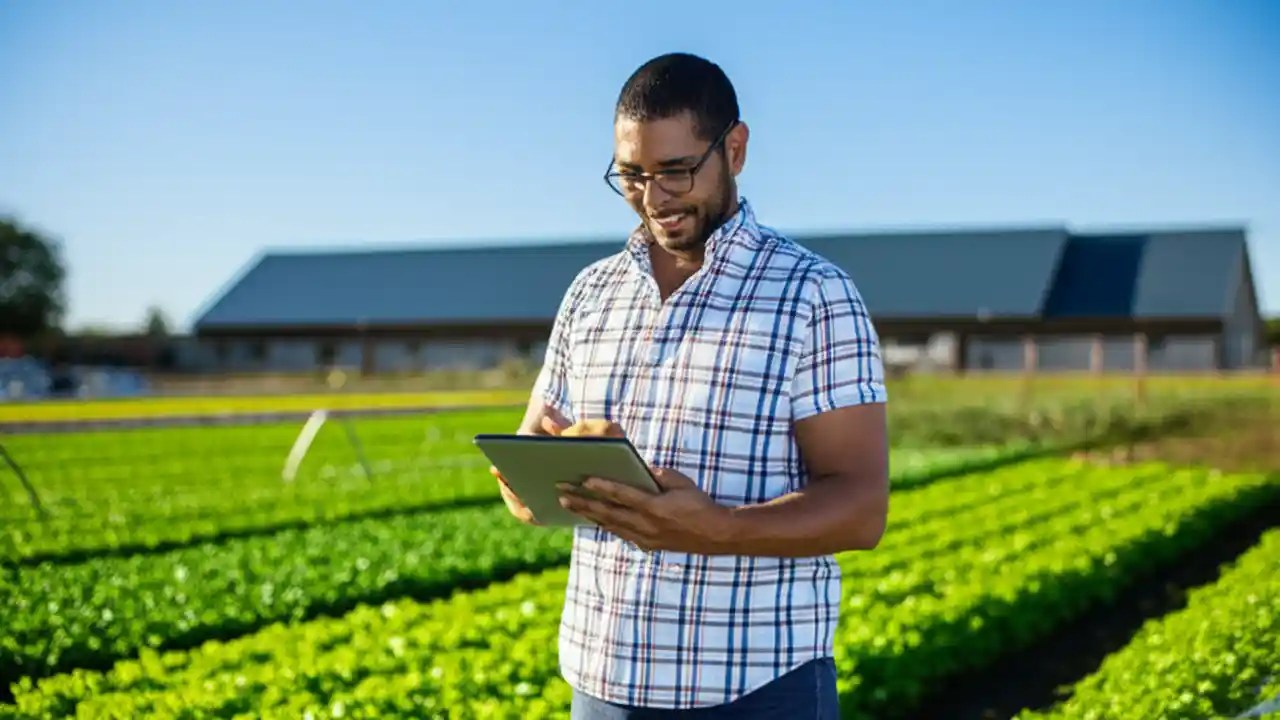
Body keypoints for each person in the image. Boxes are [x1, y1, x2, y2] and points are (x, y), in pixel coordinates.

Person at [491, 51, 889, 719]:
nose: (654, 199)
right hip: (600, 682)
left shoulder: (812, 294)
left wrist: (720, 528)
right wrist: (536, 481)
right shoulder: (591, 294)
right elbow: (533, 454)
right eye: (632, 176)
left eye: (677, 172)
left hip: (758, 688)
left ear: (734, 148)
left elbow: (860, 506)